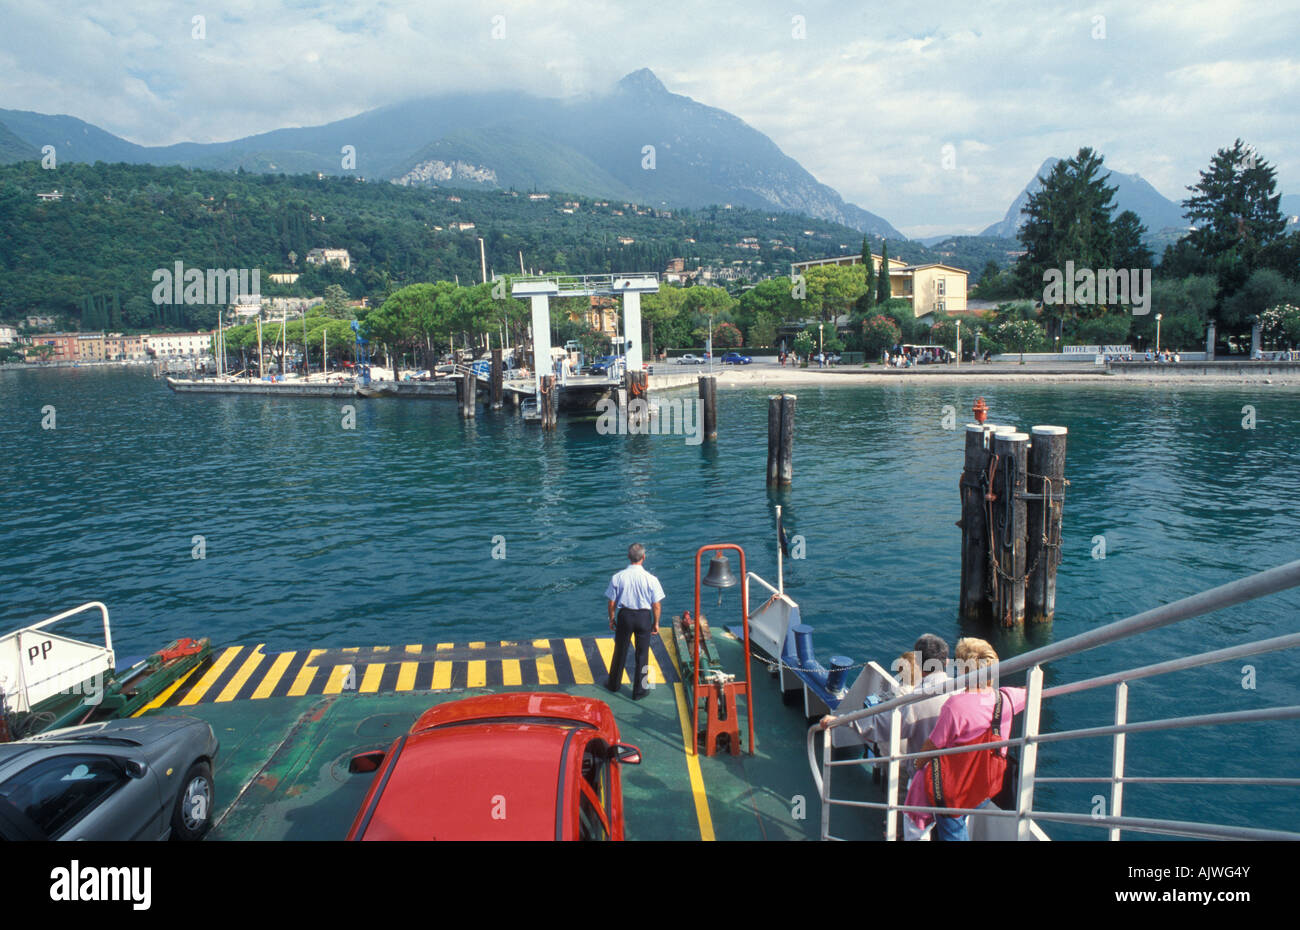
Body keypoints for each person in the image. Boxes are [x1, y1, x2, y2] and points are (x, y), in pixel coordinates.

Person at [904, 637, 1026, 841]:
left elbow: (931, 747)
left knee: (953, 830)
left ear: (963, 670)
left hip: (956, 791)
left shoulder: (956, 706)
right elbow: (1030, 692)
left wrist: (916, 765)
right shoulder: (1006, 698)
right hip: (985, 785)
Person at [818, 634, 954, 784]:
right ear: (946, 662)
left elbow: (877, 724)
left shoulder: (914, 702)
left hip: (923, 777)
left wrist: (841, 720)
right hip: (954, 774)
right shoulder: (960, 690)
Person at [604, 543, 665, 699]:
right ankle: (640, 690)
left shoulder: (618, 577)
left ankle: (613, 684)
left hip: (625, 616)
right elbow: (656, 605)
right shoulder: (651, 579)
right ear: (643, 557)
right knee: (643, 654)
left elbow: (611, 602)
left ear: (628, 557)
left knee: (620, 651)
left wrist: (612, 618)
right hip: (644, 617)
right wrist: (656, 622)